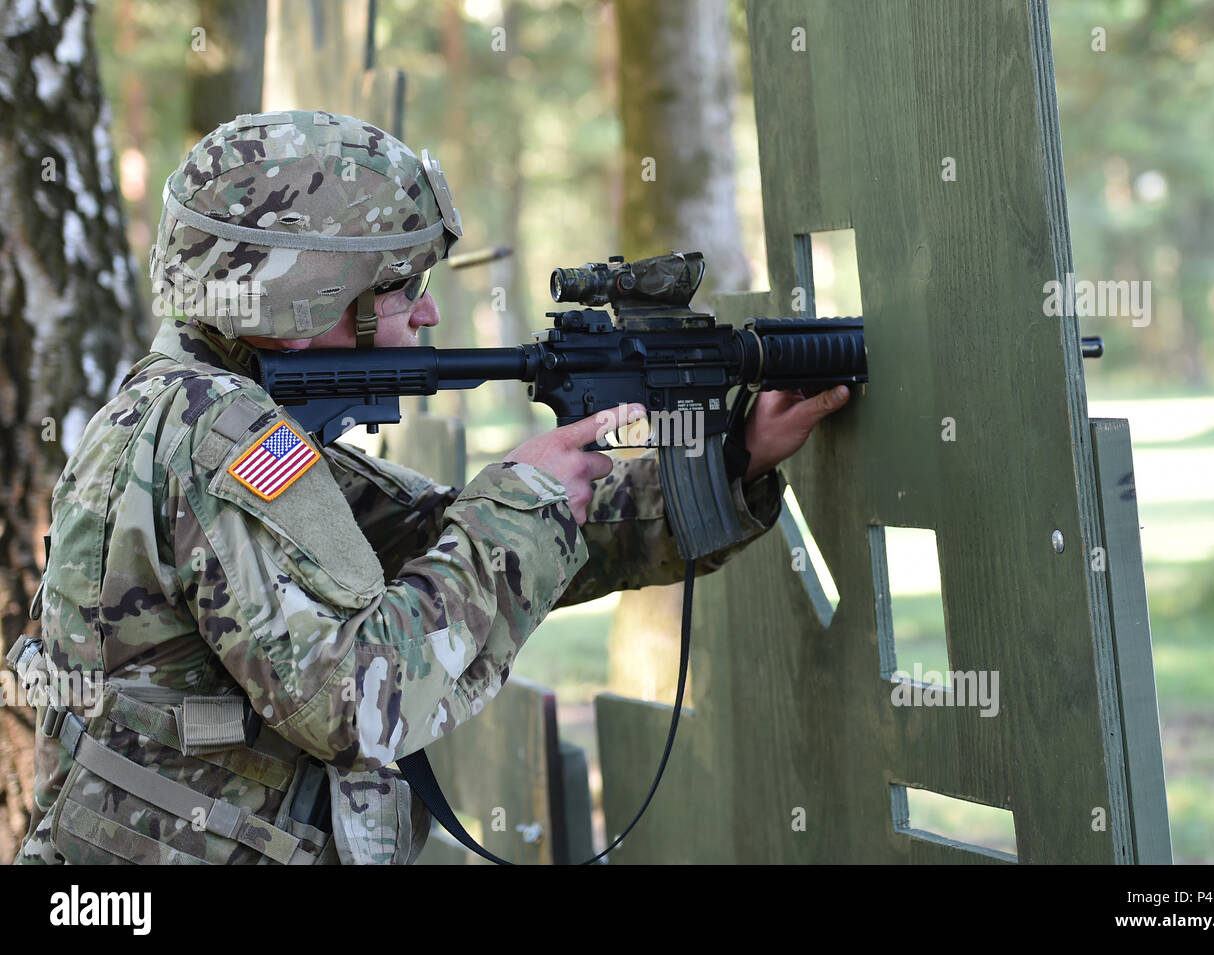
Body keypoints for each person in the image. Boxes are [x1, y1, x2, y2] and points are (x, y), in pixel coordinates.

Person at [8, 110, 850, 865]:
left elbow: (443, 546)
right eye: (403, 288)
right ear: (311, 300)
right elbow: (353, 696)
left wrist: (734, 457)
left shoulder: (197, 406)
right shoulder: (217, 440)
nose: (427, 315)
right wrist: (523, 501)